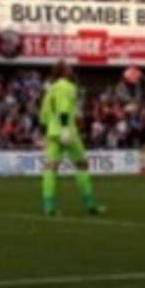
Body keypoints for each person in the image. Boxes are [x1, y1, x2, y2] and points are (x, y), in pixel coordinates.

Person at [39, 60, 101, 216]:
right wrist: (66, 128)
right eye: (69, 68)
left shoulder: (50, 88)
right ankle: (89, 204)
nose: (71, 70)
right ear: (64, 71)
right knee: (82, 164)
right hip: (67, 131)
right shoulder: (68, 87)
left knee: (50, 167)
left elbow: (44, 112)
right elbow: (64, 108)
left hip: (52, 131)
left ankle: (48, 206)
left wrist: (45, 130)